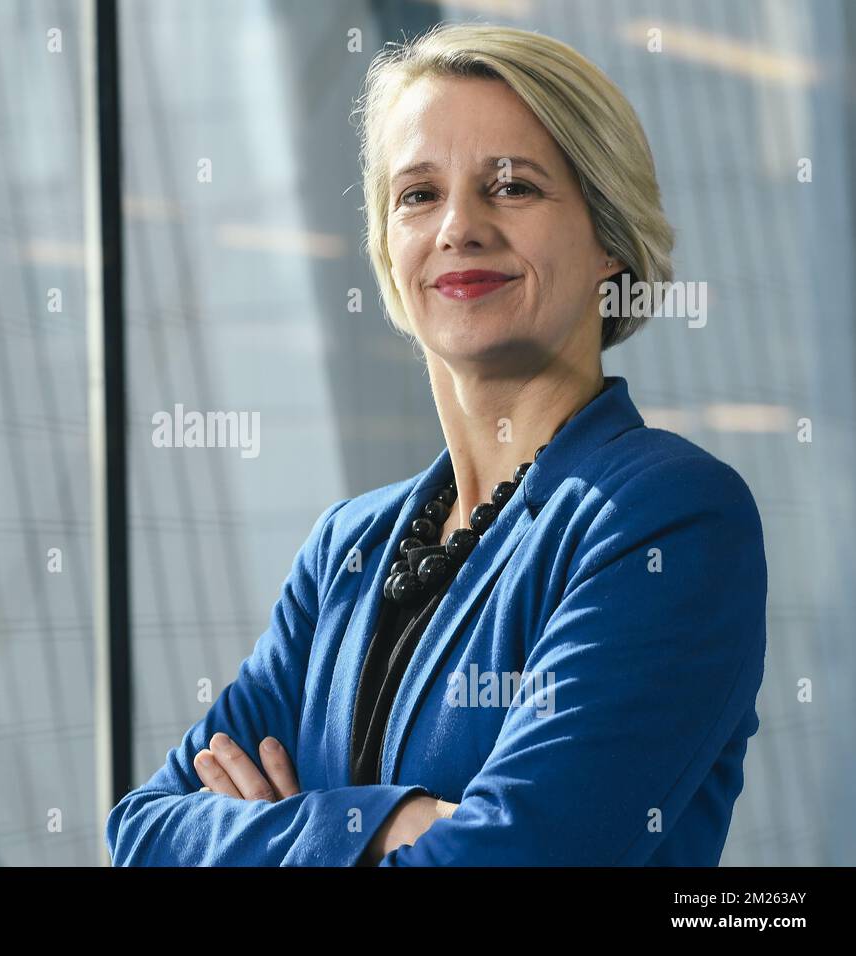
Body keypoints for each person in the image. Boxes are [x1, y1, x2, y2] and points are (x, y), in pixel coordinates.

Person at [105, 23, 767, 866]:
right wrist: (387, 824)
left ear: (608, 239)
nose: (460, 225)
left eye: (514, 187)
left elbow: (513, 858)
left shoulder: (666, 517)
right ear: (389, 250)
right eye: (419, 194)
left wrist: (281, 827)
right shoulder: (345, 549)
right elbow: (142, 831)